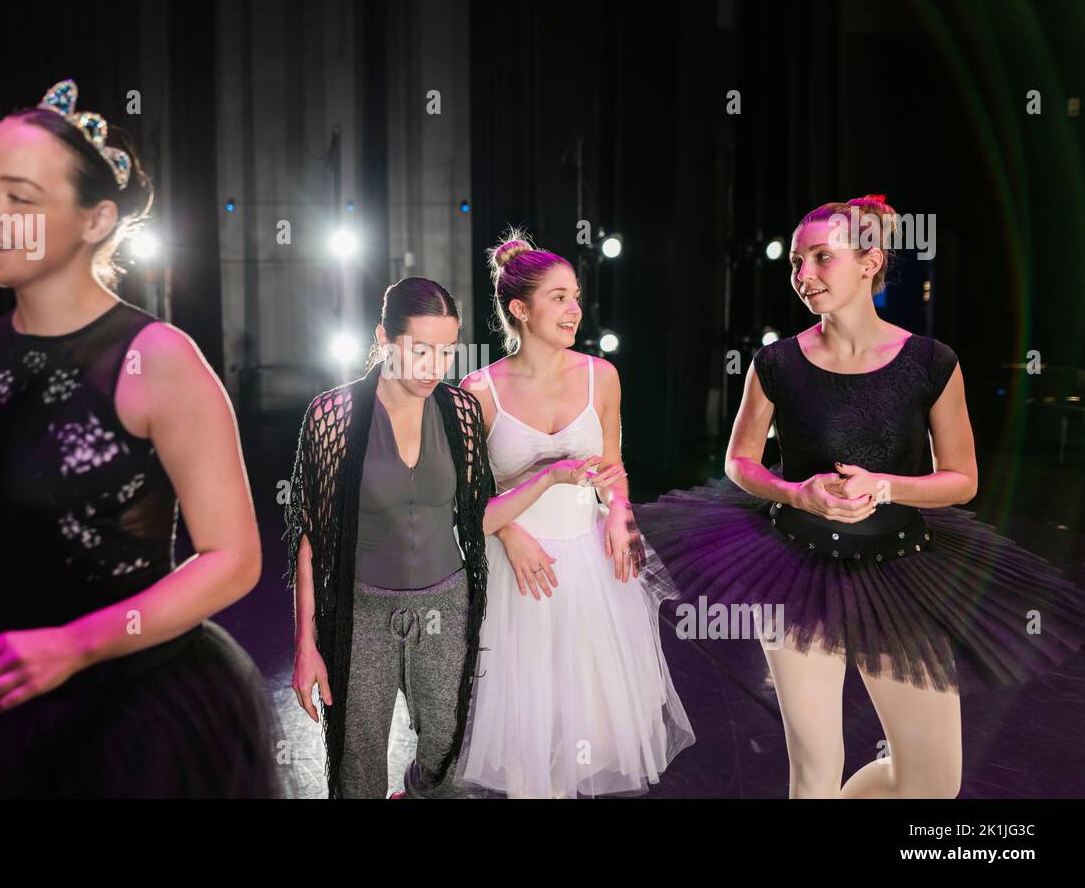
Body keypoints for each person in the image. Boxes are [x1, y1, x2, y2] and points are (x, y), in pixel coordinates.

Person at [0, 79, 282, 797]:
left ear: (95, 221)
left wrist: (75, 646)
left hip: (143, 702)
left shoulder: (159, 359)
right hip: (4, 694)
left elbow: (232, 559)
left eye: (19, 197)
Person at [634, 195, 1085, 798]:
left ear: (870, 263)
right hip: (793, 568)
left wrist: (885, 485)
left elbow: (962, 478)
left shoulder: (930, 362)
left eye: (822, 258)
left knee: (932, 782)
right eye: (797, 262)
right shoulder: (776, 362)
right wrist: (796, 493)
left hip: (900, 566)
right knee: (815, 771)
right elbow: (739, 461)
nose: (804, 275)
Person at [285, 276, 601, 798]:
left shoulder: (459, 412)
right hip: (361, 610)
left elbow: (475, 520)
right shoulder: (333, 415)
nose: (435, 367)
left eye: (448, 351)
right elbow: (310, 539)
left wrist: (550, 477)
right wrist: (305, 645)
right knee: (357, 764)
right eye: (420, 351)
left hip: (445, 605)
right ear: (385, 339)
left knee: (448, 761)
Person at [454, 228, 695, 798]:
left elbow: (613, 468)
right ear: (520, 308)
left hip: (586, 565)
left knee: (582, 727)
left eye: (576, 296)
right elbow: (463, 500)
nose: (574, 309)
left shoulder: (601, 376)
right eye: (558, 297)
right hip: (517, 572)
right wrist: (510, 534)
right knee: (523, 736)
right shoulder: (478, 390)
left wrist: (619, 516)